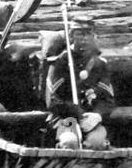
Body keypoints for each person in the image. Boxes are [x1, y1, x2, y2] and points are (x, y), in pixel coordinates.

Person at [42, 14, 112, 150]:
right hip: (66, 117)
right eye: (80, 34)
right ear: (72, 36)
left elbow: (108, 99)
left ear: (93, 36)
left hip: (91, 119)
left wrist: (97, 115)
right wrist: (77, 113)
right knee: (70, 142)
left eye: (88, 34)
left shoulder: (99, 64)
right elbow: (52, 100)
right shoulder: (61, 63)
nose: (84, 38)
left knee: (97, 143)